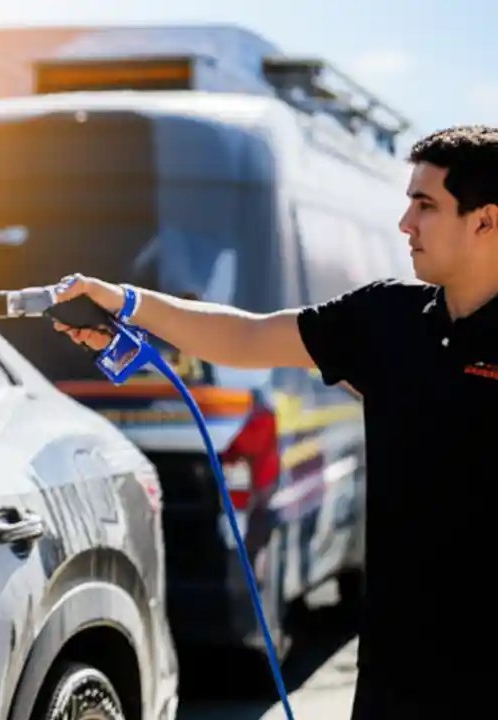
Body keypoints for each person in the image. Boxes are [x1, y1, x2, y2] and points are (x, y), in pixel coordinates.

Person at [51, 124, 498, 719]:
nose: (405, 224)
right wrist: (131, 305)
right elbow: (248, 334)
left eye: (426, 205)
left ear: (486, 221)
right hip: (396, 669)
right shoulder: (386, 318)